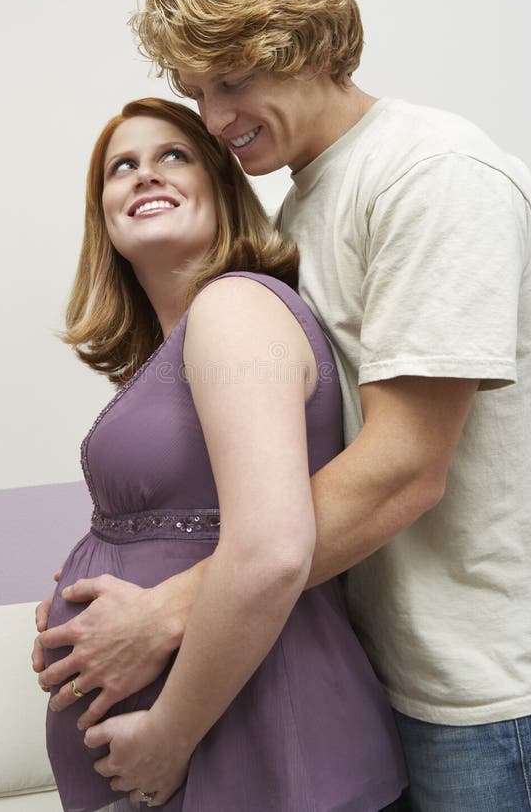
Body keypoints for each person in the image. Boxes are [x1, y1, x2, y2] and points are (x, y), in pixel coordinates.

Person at [34, 0, 531, 809]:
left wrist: (162, 612)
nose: (217, 117)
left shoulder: (434, 174)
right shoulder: (297, 216)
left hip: (478, 696)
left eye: (232, 80)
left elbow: (405, 470)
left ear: (306, 42)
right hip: (378, 663)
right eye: (196, 87)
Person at [40, 95, 406, 812]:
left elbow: (269, 550)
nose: (146, 174)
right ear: (104, 218)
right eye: (123, 167)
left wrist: (171, 733)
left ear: (220, 184)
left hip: (249, 737)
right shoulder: (173, 350)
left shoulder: (233, 309)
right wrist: (79, 615)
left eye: (172, 156)